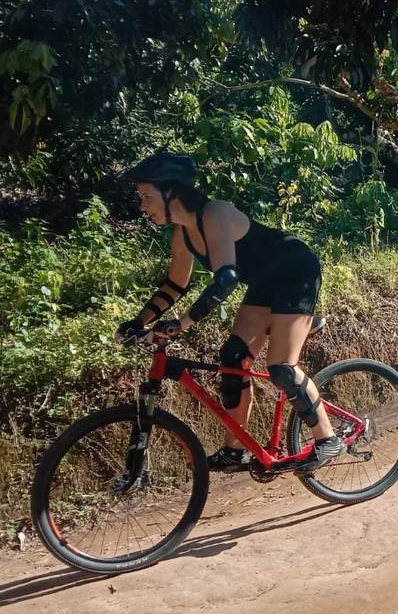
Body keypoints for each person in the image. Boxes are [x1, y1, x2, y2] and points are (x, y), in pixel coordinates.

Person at [115, 152, 346, 471]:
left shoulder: (216, 213)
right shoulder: (183, 233)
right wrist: (138, 321)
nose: (142, 206)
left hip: (296, 272)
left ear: (171, 192)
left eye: (146, 197)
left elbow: (226, 278)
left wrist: (182, 323)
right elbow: (174, 285)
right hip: (264, 284)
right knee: (233, 361)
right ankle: (235, 452)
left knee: (281, 368)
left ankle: (328, 439)